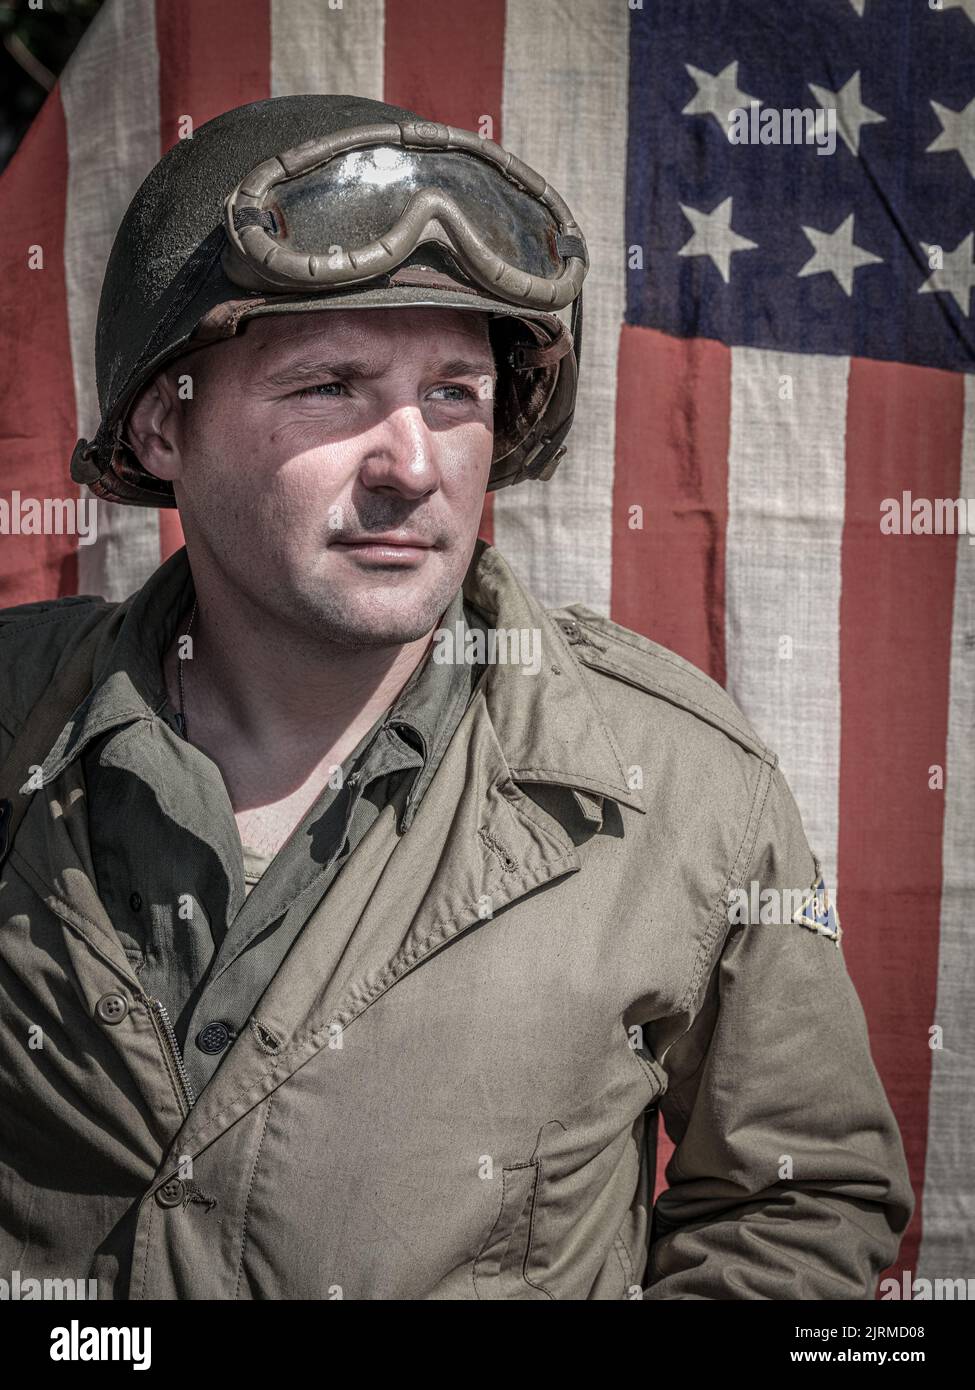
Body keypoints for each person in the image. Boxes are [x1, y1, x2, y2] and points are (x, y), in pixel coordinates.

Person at [0, 94, 912, 1300]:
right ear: (167, 425)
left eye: (453, 393)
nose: (412, 464)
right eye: (328, 385)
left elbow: (802, 1199)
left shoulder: (678, 786)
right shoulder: (21, 714)